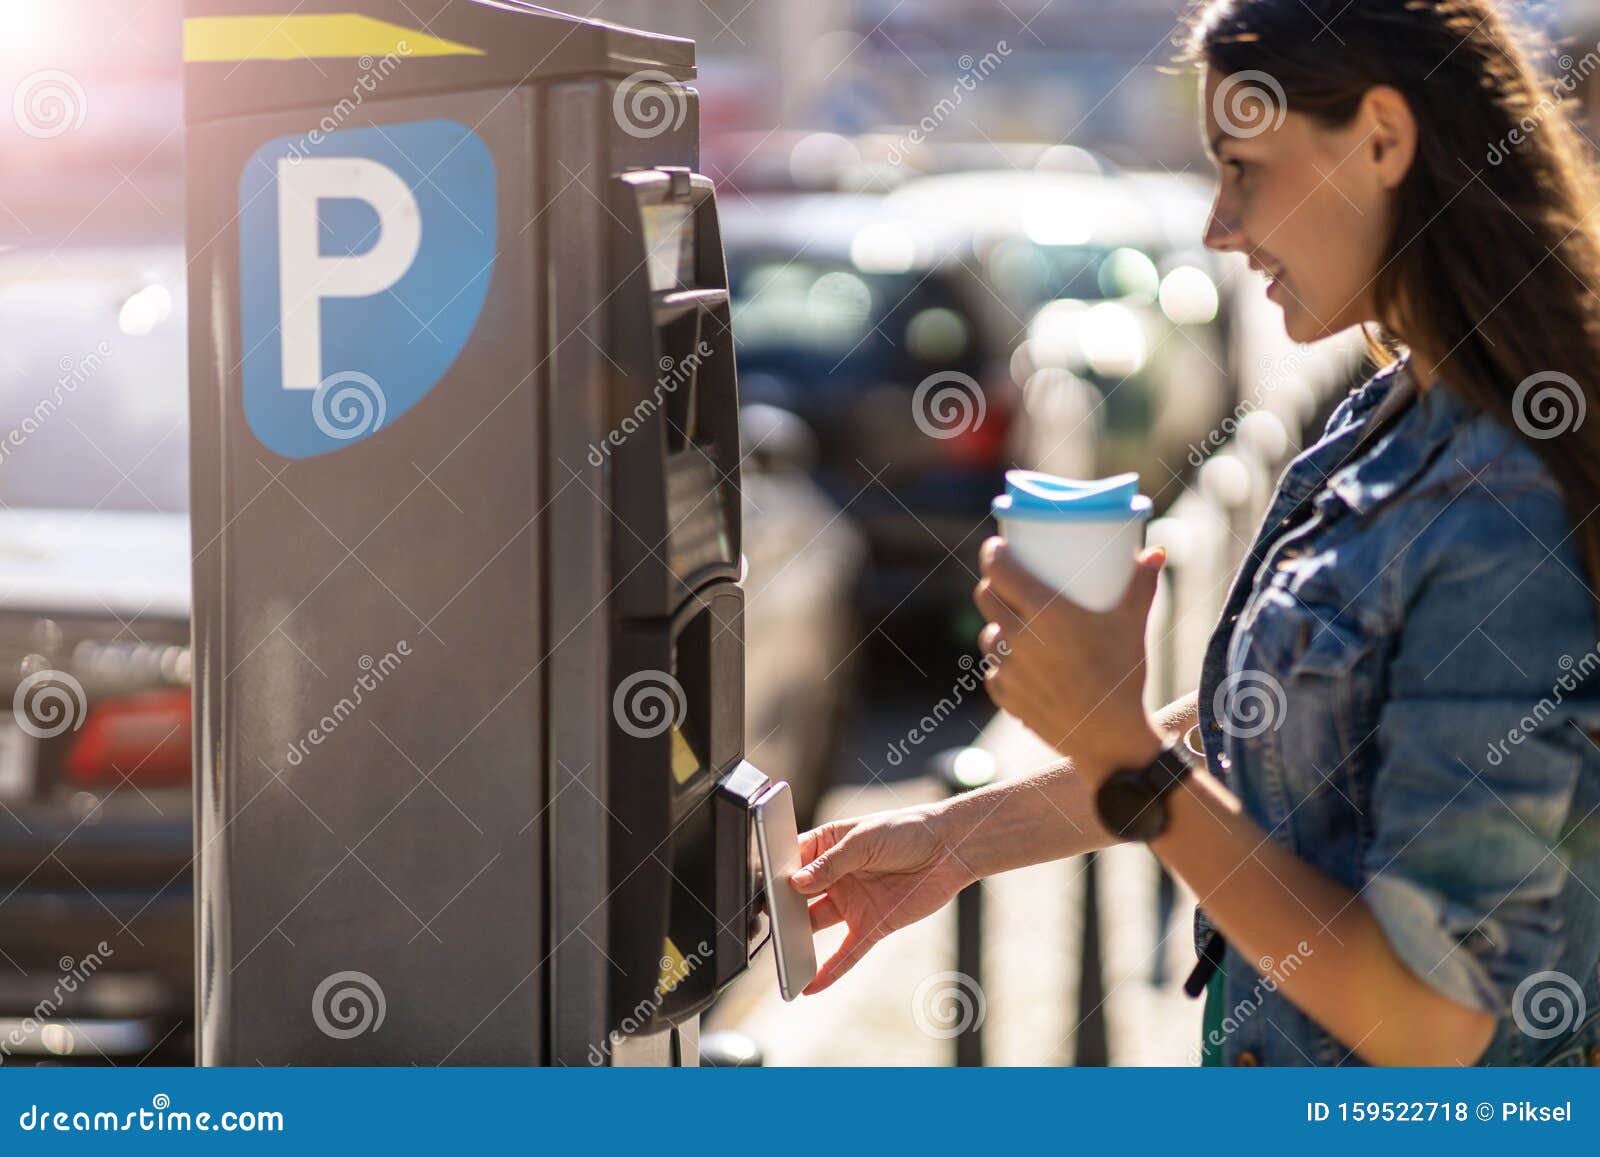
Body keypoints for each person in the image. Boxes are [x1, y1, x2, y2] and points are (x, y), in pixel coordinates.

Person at [790, 0, 1600, 1066]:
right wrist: (952, 840)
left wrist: (1117, 746)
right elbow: (1277, 727)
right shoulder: (1389, 410)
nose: (1218, 225)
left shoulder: (1503, 509)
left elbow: (1432, 1018)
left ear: (1383, 139)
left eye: (1243, 169)